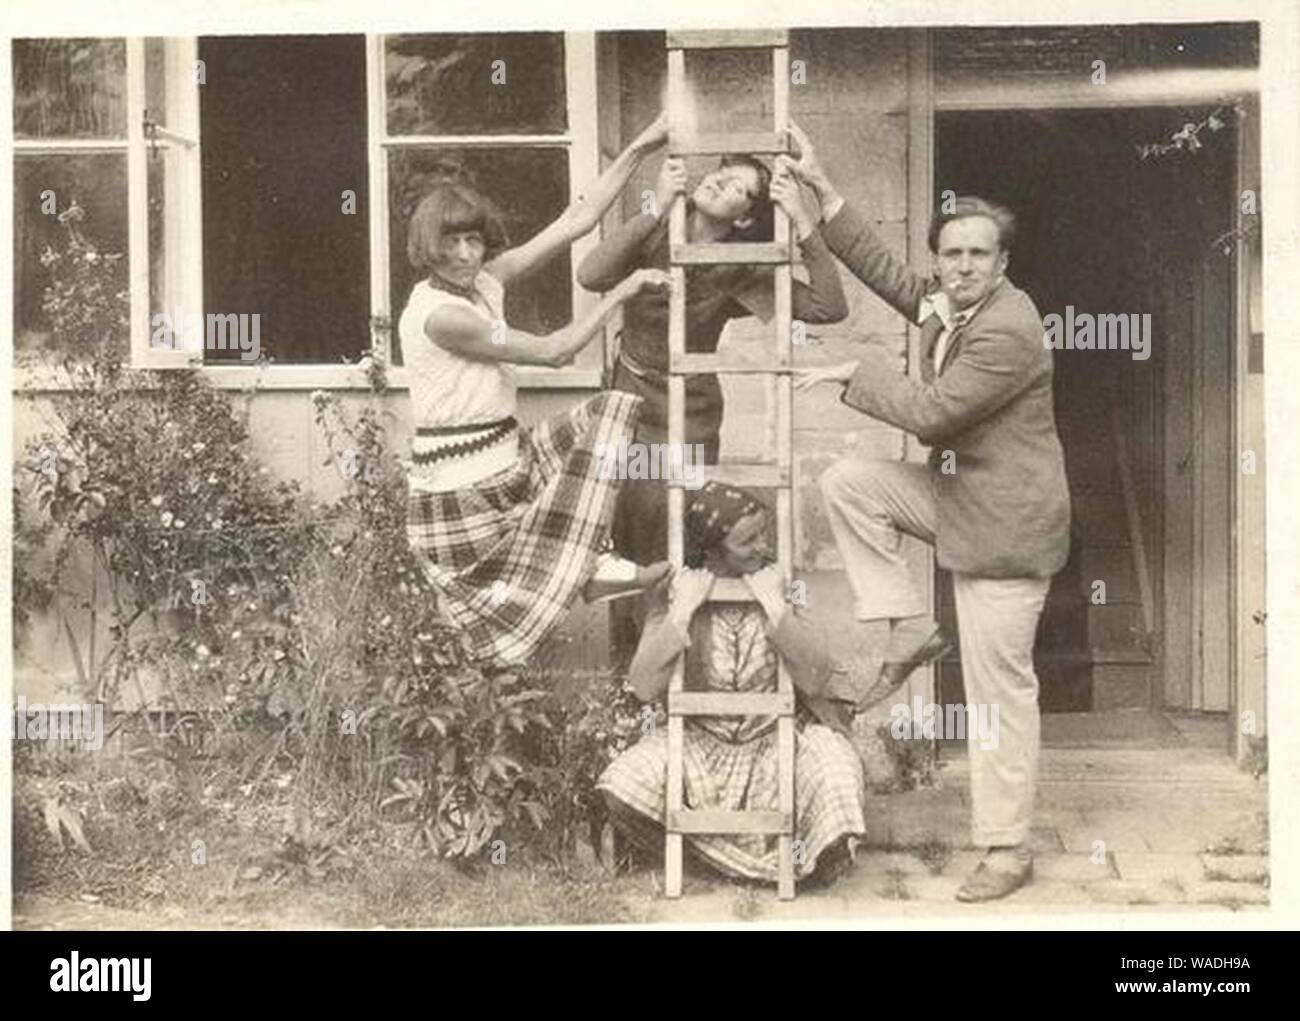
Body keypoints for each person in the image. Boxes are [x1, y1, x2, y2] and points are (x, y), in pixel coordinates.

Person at [782, 124, 1071, 901]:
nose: (963, 266)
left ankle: (1007, 849)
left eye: (980, 254)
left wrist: (850, 368)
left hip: (1005, 532)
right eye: (952, 254)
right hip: (961, 502)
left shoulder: (1009, 327)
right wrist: (822, 188)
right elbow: (894, 281)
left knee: (997, 695)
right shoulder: (958, 305)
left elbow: (936, 414)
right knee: (851, 480)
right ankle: (906, 621)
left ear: (1003, 264)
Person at [403, 114, 676, 670]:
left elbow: (575, 220)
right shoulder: (441, 316)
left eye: (472, 239)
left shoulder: (481, 283)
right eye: (450, 242)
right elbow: (556, 351)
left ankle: (593, 570)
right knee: (492, 654)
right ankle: (592, 573)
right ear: (427, 247)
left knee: (606, 415)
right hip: (462, 490)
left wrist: (643, 145)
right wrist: (622, 291)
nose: (464, 254)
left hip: (505, 458)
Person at [577, 150, 848, 567]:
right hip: (630, 401)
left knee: (672, 530)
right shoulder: (655, 232)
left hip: (688, 416)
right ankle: (641, 631)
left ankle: (674, 624)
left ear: (742, 219)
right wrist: (658, 202)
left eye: (737, 186)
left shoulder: (737, 267)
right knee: (625, 530)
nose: (720, 180)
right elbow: (591, 275)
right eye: (722, 171)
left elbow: (829, 307)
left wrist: (803, 222)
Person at [597, 482, 867, 887]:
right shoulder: (675, 590)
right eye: (747, 541)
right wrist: (682, 613)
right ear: (712, 547)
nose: (762, 546)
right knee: (623, 782)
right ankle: (715, 862)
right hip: (700, 746)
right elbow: (643, 686)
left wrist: (778, 610)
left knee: (836, 768)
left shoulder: (784, 582)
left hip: (773, 743)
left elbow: (816, 673)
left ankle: (780, 863)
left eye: (764, 534)